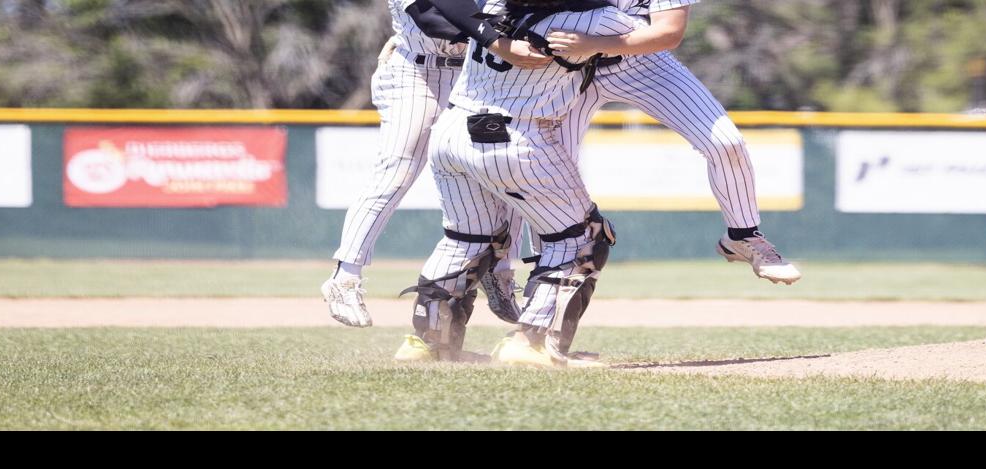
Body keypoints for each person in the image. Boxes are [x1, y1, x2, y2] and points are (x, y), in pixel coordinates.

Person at [394, 0, 640, 367]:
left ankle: (428, 344)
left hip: (451, 133)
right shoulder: (601, 19)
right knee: (583, 237)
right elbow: (658, 36)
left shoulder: (490, 5)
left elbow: (428, 9)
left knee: (467, 238)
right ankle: (531, 342)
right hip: (517, 134)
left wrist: (490, 37)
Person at [321, 1, 556, 328]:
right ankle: (344, 278)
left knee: (502, 168)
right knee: (396, 173)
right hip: (417, 73)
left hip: (472, 72)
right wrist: (500, 35)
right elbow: (432, 20)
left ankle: (499, 272)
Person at [542, 0, 802, 285]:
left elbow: (670, 33)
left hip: (641, 63)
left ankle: (742, 235)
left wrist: (592, 42)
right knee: (534, 164)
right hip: (564, 68)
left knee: (727, 143)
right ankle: (517, 268)